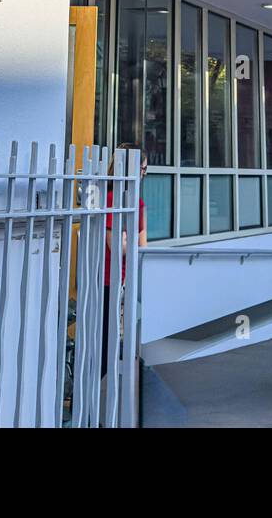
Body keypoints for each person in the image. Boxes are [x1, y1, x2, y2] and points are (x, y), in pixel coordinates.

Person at [102, 146, 147, 377]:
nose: (143, 173)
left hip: (124, 281)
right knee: (104, 344)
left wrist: (127, 241)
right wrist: (128, 242)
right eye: (141, 167)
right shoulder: (110, 198)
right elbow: (116, 247)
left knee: (118, 342)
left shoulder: (137, 202)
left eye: (146, 169)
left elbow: (142, 247)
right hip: (106, 280)